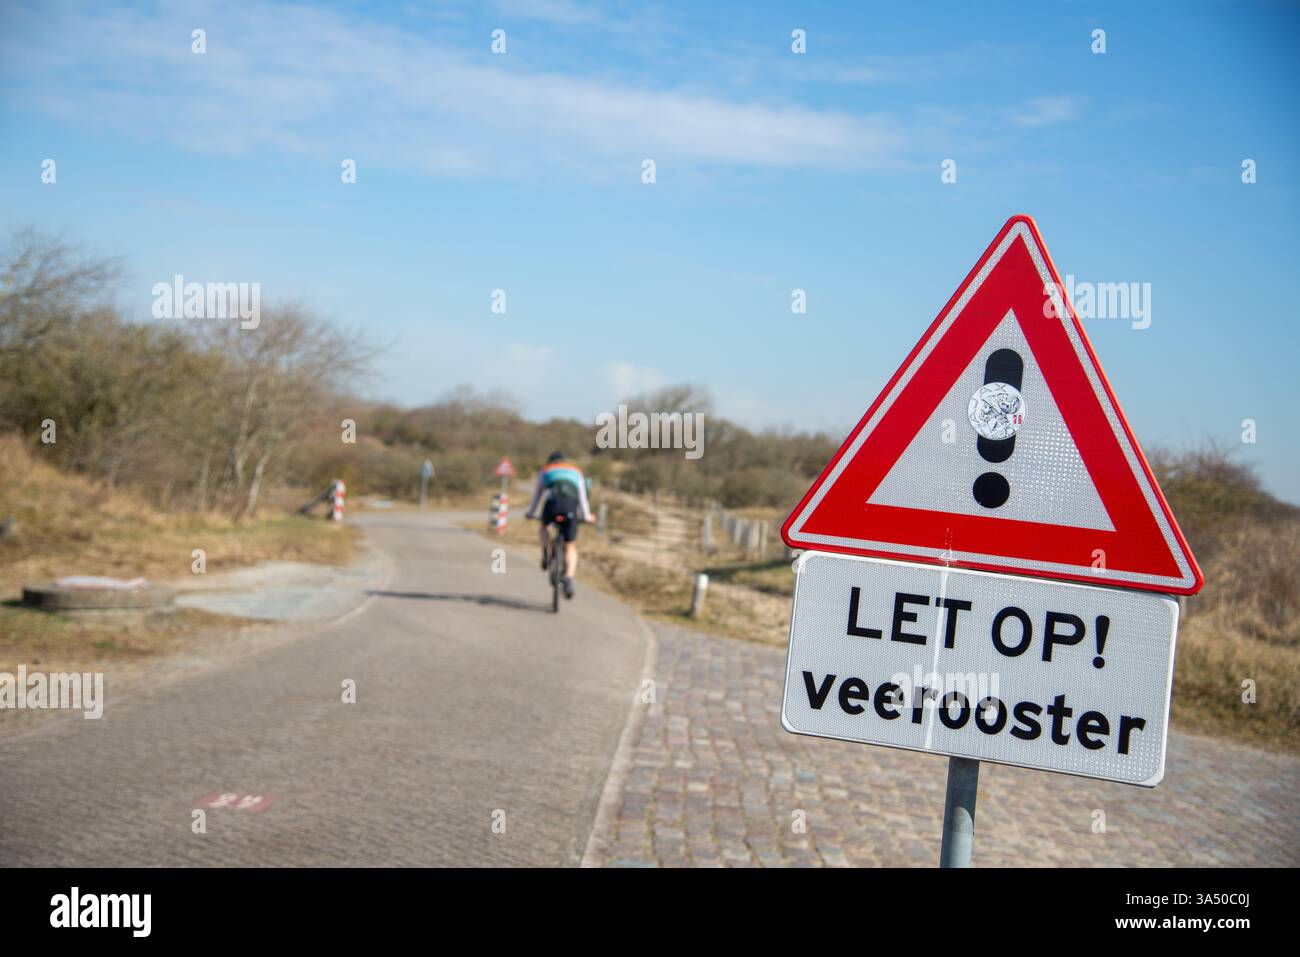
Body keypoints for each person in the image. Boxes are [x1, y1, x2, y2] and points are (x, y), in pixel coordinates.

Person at [524, 451, 593, 599]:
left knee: (544, 526)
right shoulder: (576, 471)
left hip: (552, 505)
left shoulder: (546, 470)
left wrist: (530, 512)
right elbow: (582, 496)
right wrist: (587, 516)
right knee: (570, 545)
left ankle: (545, 552)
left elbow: (537, 494)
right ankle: (568, 578)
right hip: (570, 507)